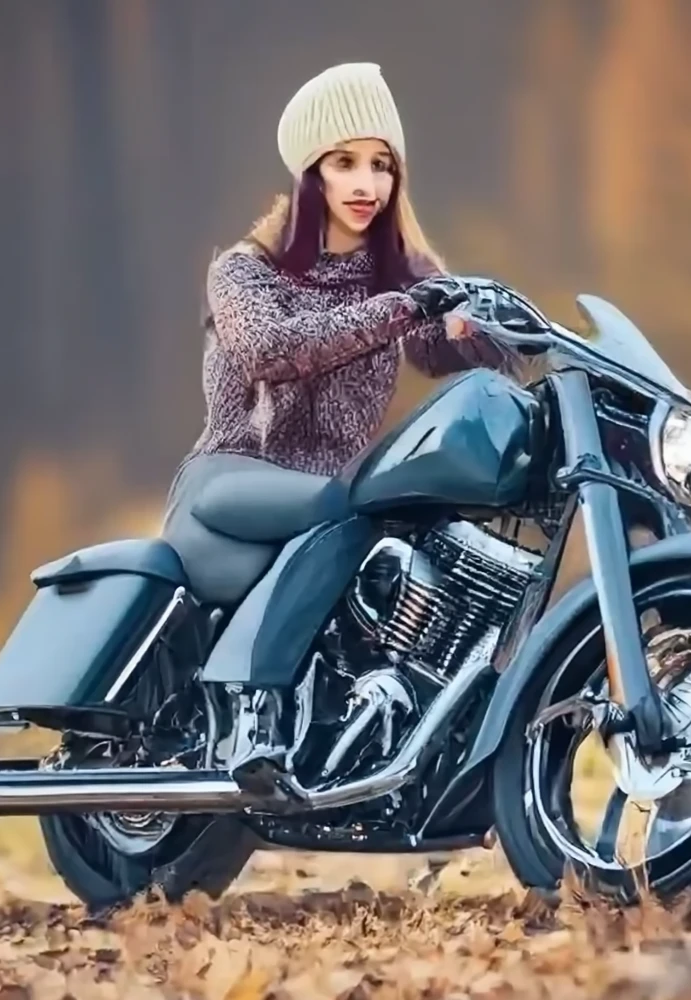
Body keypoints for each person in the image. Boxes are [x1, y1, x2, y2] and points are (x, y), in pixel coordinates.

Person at [162, 62, 518, 605]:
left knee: (427, 528)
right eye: (344, 162)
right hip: (226, 491)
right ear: (312, 173)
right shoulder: (243, 271)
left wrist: (484, 332)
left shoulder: (401, 279)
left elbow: (437, 352)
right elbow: (270, 348)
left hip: (328, 508)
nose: (366, 185)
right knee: (352, 504)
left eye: (381, 165)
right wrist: (400, 308)